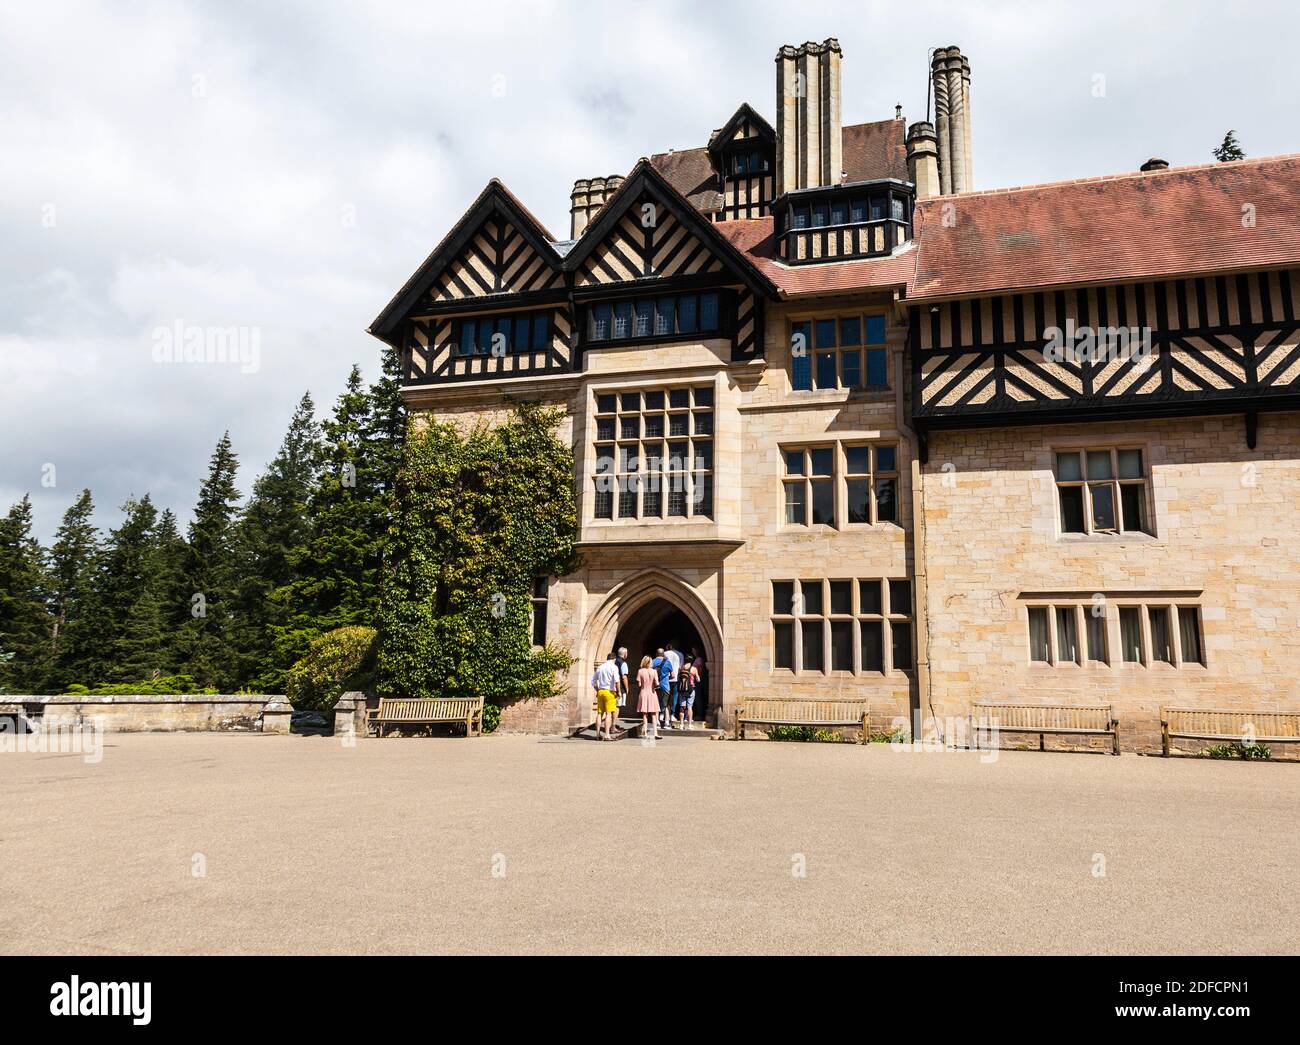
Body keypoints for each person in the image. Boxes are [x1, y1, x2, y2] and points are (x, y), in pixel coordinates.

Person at [590, 653, 621, 741]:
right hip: (609, 692)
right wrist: (619, 692)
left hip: (601, 691)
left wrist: (598, 690)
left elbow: (593, 681)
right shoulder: (614, 667)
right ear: (614, 659)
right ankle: (607, 735)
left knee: (599, 713)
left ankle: (597, 734)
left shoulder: (600, 667)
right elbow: (617, 681)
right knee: (608, 713)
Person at [635, 655, 660, 738]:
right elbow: (657, 683)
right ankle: (655, 733)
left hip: (643, 692)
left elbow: (639, 684)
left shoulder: (640, 671)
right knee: (654, 714)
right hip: (652, 693)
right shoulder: (654, 671)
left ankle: (645, 732)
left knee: (644, 714)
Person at [650, 647, 673, 730]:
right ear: (664, 654)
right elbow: (673, 675)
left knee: (656, 705)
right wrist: (666, 678)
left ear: (656, 653)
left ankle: (657, 722)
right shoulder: (668, 662)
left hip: (655, 686)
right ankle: (667, 723)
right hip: (665, 686)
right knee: (667, 705)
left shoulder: (652, 662)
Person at [664, 642, 682, 726]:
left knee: (664, 697)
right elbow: (680, 668)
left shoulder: (664, 653)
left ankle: (662, 714)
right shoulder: (679, 655)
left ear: (669, 646)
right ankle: (672, 714)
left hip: (665, 678)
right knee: (674, 697)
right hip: (675, 679)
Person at [614, 646, 630, 713]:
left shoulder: (613, 661)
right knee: (617, 706)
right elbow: (624, 677)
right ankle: (613, 723)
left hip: (611, 686)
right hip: (619, 688)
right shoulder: (623, 663)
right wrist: (627, 688)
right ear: (625, 654)